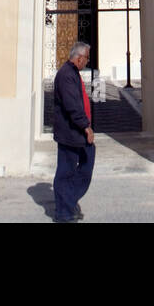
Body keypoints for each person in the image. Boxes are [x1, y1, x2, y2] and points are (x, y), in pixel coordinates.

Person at [51, 42, 95, 222]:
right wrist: (86, 126)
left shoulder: (72, 73)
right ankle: (64, 211)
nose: (87, 61)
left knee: (86, 164)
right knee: (66, 171)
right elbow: (72, 106)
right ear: (79, 58)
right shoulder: (66, 75)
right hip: (71, 133)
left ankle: (68, 200)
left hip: (77, 132)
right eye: (86, 58)